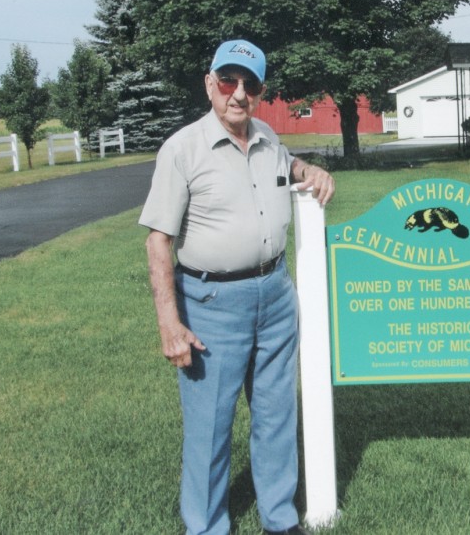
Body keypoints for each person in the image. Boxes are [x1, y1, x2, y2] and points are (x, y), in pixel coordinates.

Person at [139, 39, 334, 535]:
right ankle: (206, 526)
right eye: (228, 80)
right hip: (211, 304)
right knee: (210, 428)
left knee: (275, 415)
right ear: (210, 84)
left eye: (250, 84)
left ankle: (280, 519)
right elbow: (158, 241)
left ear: (261, 91)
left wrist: (307, 169)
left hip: (274, 296)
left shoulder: (268, 136)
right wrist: (170, 323)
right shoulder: (182, 149)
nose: (238, 93)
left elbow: (287, 167)